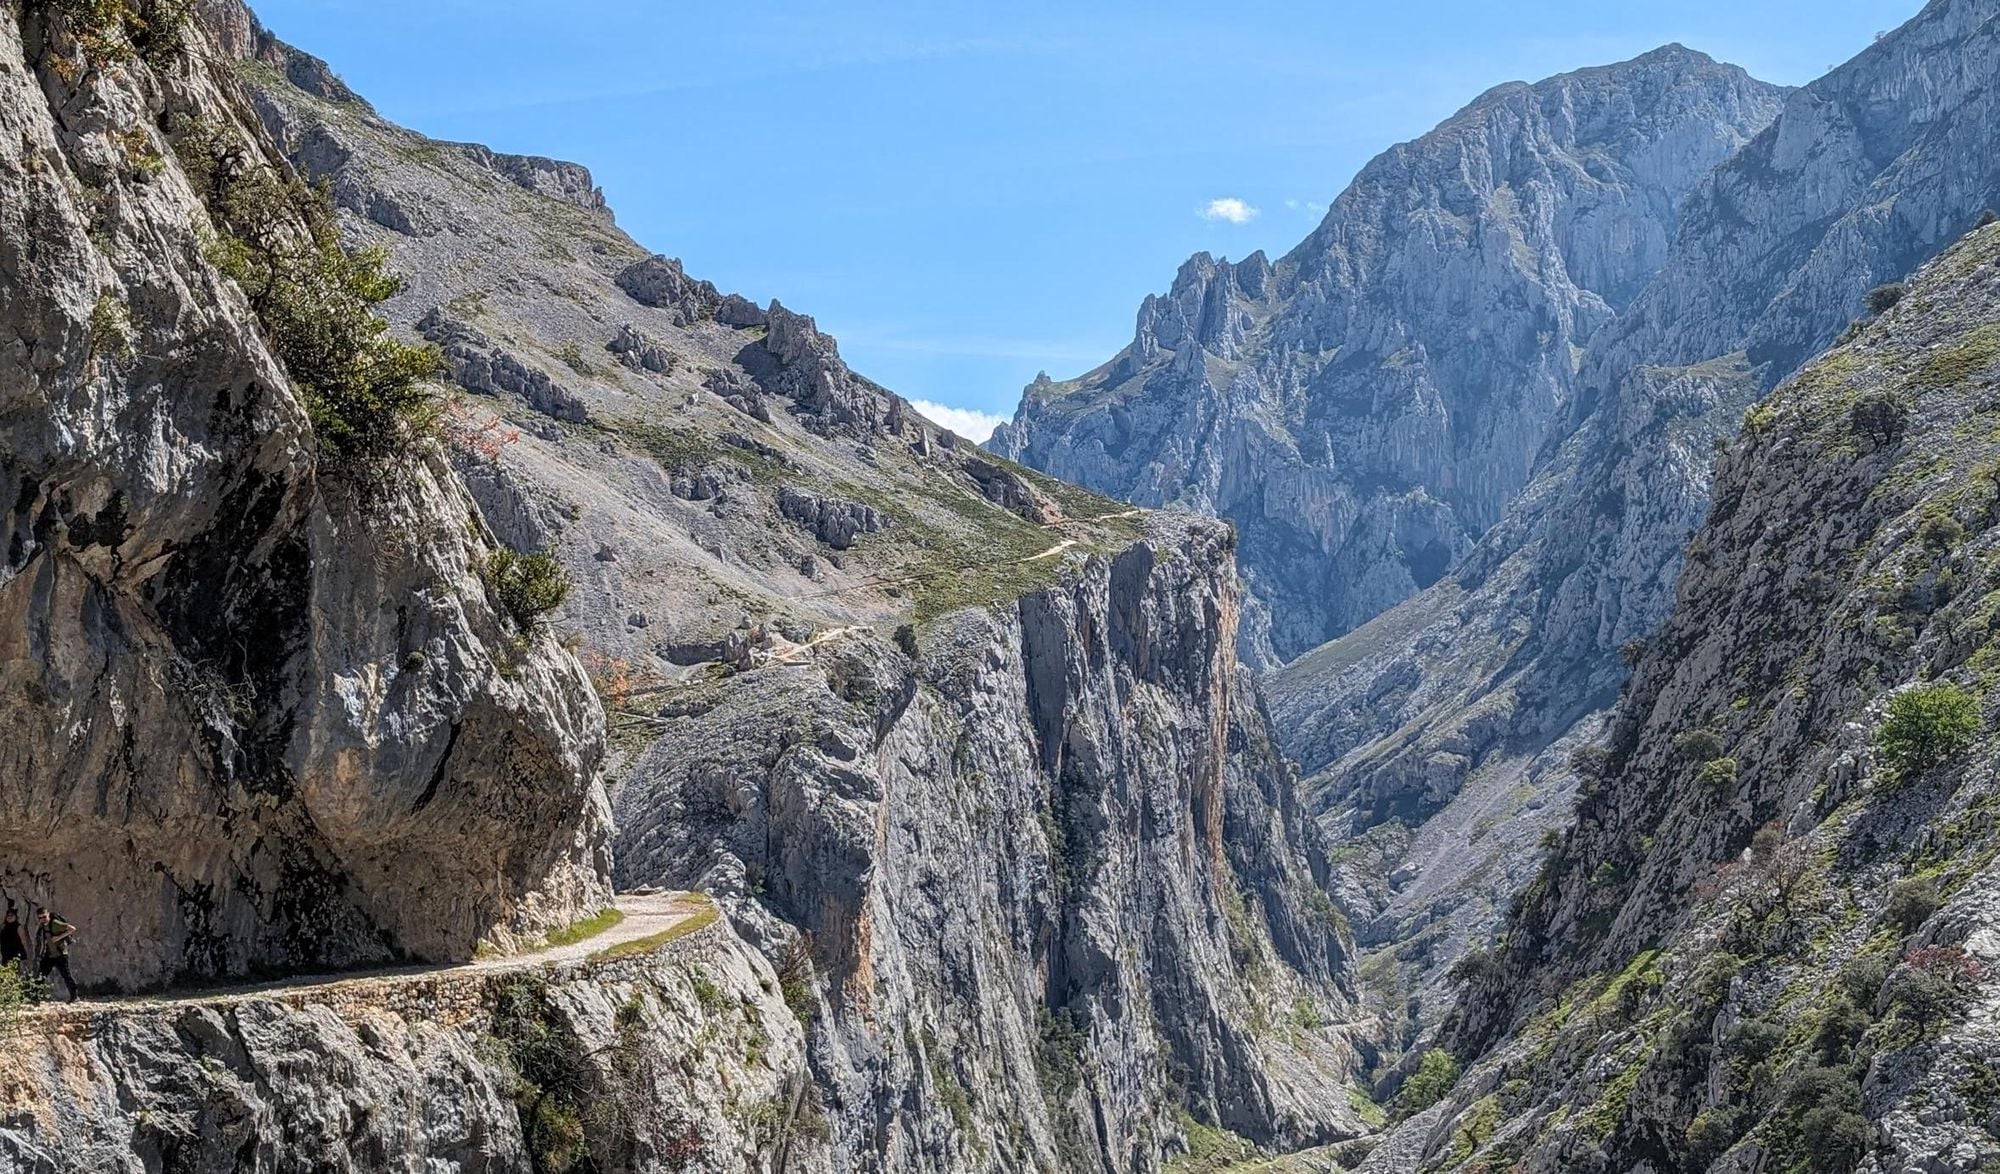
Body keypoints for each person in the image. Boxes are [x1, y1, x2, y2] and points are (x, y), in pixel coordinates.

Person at [36, 909, 77, 1003]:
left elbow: (72, 929)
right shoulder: (42, 926)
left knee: (66, 976)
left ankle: (74, 996)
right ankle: (35, 996)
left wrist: (58, 937)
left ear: (48, 915)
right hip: (49, 954)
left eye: (44, 917)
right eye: (40, 918)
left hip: (60, 954)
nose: (43, 919)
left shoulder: (55, 923)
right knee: (41, 975)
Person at [0, 904, 25, 981]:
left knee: (14, 970)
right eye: (8, 915)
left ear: (15, 917)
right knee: (4, 970)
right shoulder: (3, 926)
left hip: (15, 952)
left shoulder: (18, 927)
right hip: (5, 952)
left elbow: (23, 940)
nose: (10, 917)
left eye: (12, 915)